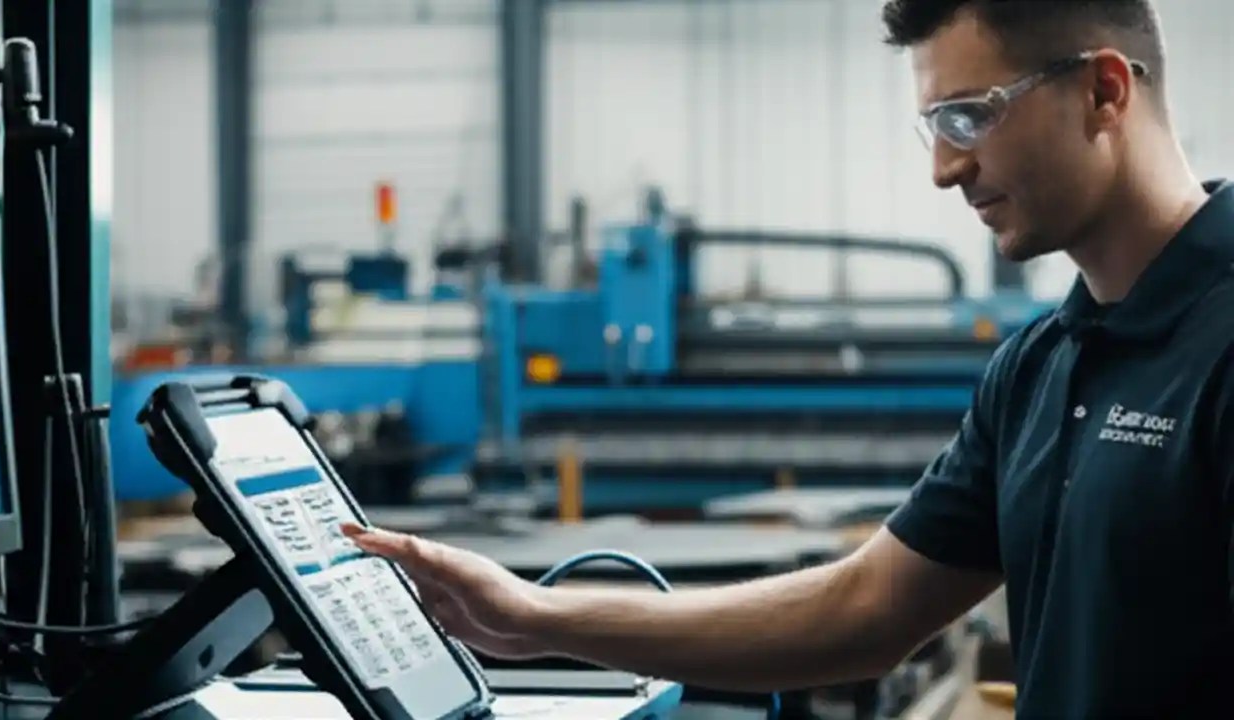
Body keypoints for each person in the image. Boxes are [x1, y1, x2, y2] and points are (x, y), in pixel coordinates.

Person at [343, 0, 1234, 716]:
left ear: (1105, 92)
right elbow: (867, 609)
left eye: (971, 116)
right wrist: (533, 617)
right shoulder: (1041, 366)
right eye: (933, 125)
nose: (945, 169)